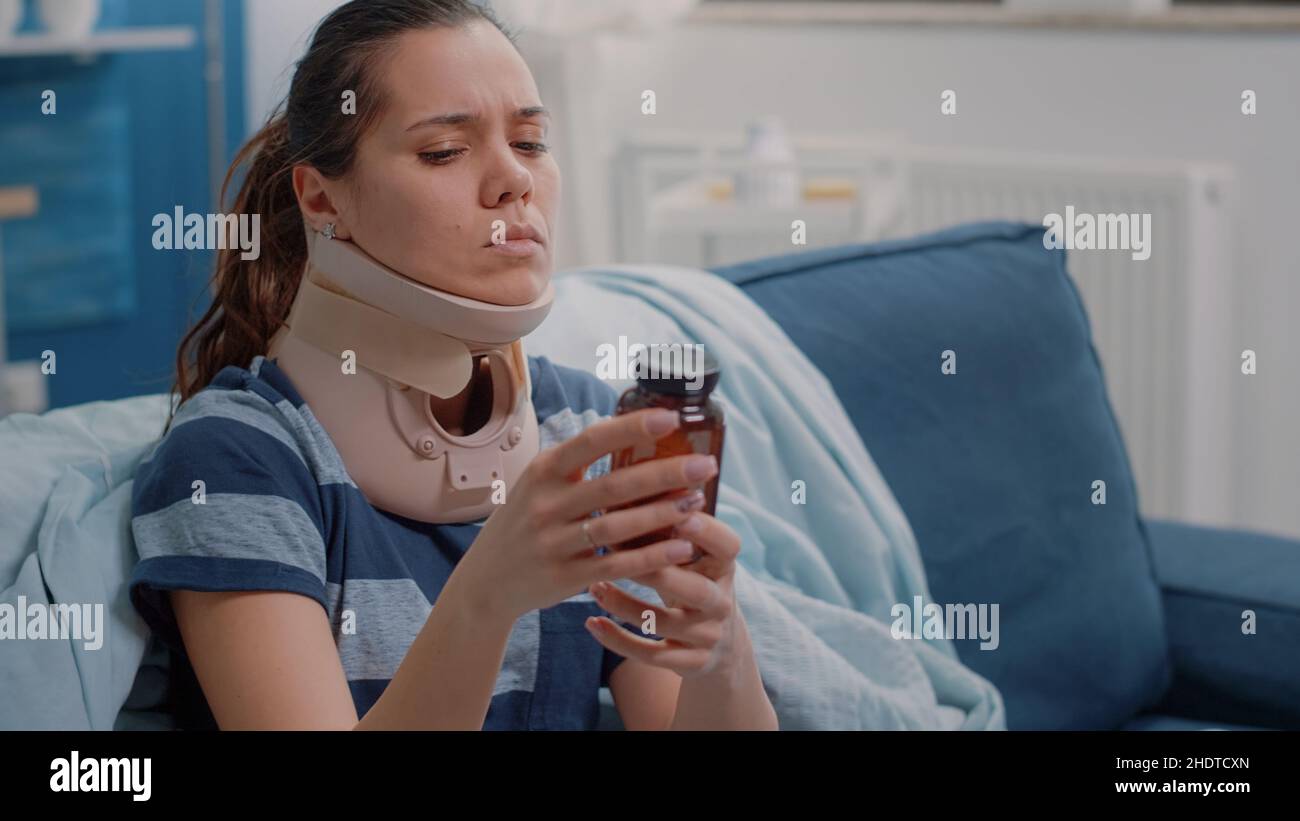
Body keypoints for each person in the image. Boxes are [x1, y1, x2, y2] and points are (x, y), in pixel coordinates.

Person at [128, 0, 776, 731]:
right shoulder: (239, 460)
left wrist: (719, 652)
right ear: (320, 197)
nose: (513, 182)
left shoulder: (589, 428)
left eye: (530, 142)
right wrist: (488, 592)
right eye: (443, 151)